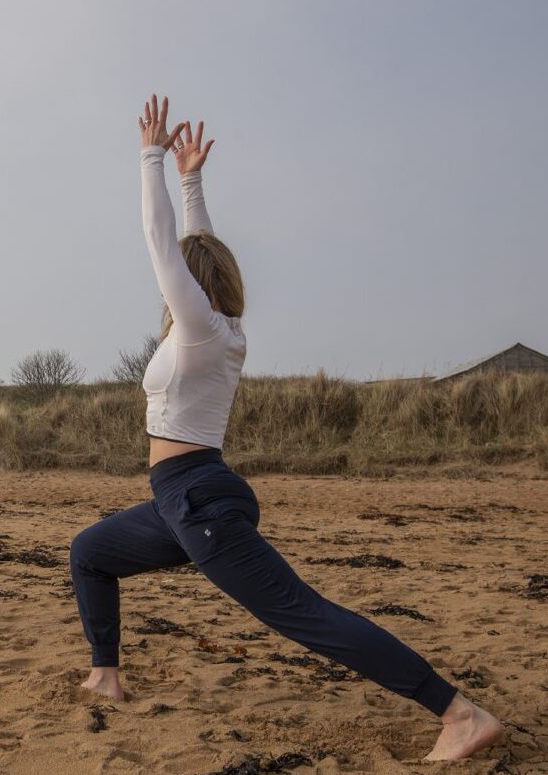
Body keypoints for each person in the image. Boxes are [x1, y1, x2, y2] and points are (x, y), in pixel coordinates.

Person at [67, 95, 502, 761]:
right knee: (91, 551)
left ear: (192, 287)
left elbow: (163, 246)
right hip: (183, 499)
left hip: (198, 501)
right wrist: (191, 180)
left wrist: (150, 157)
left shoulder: (201, 331)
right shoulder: (224, 328)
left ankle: (456, 711)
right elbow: (197, 249)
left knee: (305, 615)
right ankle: (104, 673)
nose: (168, 285)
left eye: (180, 279)